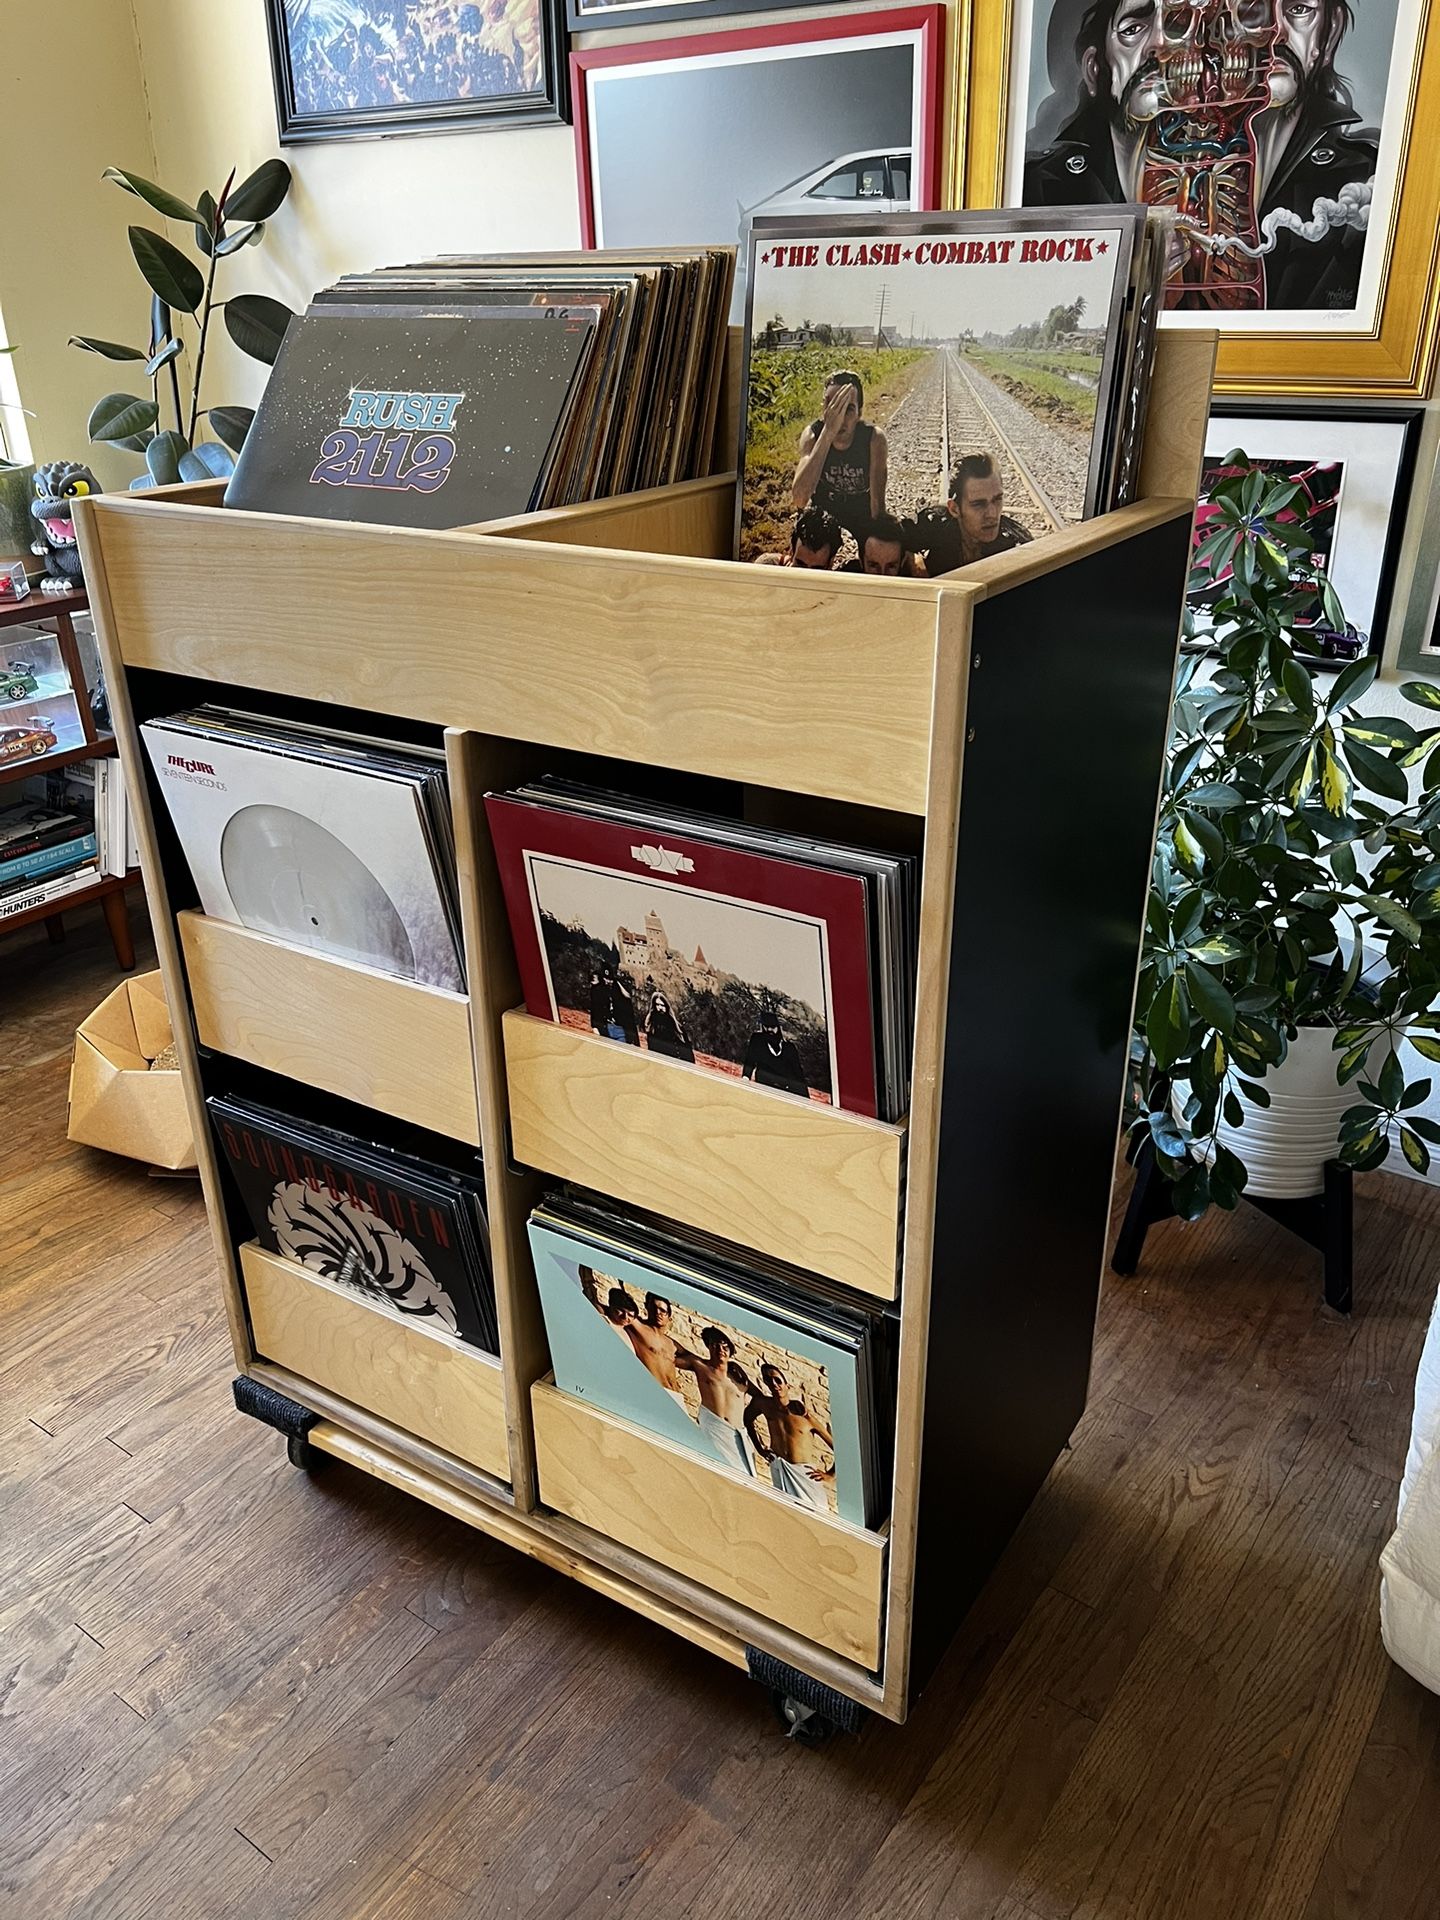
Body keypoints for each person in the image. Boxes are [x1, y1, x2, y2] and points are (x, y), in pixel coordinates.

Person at [1021, 0, 1377, 311]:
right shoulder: (1041, 187)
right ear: (1096, 69)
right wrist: (1122, 288)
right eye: (1133, 28)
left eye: (1179, 24)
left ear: (1329, 36)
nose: (1163, 46)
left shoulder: (1369, 181)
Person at [791, 372, 888, 540]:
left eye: (848, 409)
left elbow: (877, 506)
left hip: (860, 515)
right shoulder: (812, 436)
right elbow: (800, 499)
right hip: (823, 515)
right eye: (833, 407)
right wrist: (827, 434)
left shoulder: (874, 439)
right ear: (824, 410)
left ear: (859, 413)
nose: (839, 418)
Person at [922, 454, 1034, 576]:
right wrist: (912, 557)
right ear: (954, 509)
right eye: (978, 504)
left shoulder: (1016, 547)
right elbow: (900, 532)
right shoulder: (936, 525)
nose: (992, 514)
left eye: (997, 499)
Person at [745, 1362, 835, 1511]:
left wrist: (830, 1475)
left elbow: (838, 1449)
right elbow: (747, 1419)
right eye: (768, 1380)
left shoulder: (806, 1417)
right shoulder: (763, 1404)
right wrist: (759, 1448)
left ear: (787, 1385)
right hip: (780, 1468)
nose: (774, 1384)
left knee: (816, 1515)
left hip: (805, 1475)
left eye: (777, 1380)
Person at [675, 1327, 758, 1475]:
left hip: (737, 1438)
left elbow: (764, 1401)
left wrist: (750, 1424)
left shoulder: (741, 1380)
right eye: (715, 1345)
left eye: (725, 1346)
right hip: (715, 1431)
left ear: (730, 1350)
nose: (721, 1349)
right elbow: (667, 1351)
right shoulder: (701, 1366)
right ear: (708, 1347)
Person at [624, 1293, 690, 1410]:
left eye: (662, 1310)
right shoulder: (639, 1327)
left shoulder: (672, 1344)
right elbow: (607, 1309)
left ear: (669, 1317)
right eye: (654, 1308)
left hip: (677, 1397)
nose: (658, 1312)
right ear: (647, 1308)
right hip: (656, 1394)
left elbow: (697, 1362)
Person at [741, 1008, 810, 1099]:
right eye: (766, 1026)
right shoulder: (757, 1040)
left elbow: (798, 1073)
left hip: (786, 1092)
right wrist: (745, 1078)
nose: (769, 1029)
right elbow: (750, 1060)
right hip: (764, 1087)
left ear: (778, 1028)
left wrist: (805, 1098)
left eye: (773, 1027)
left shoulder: (789, 1048)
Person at [754, 505, 843, 570]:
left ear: (830, 563)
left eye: (816, 569)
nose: (806, 575)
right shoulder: (766, 568)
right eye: (800, 564)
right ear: (791, 552)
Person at [842, 512, 919, 577]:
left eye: (891, 567)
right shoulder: (846, 578)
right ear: (861, 561)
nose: (882, 575)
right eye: (873, 566)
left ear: (902, 562)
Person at [644, 990, 695, 1062]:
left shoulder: (676, 1026)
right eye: (657, 1005)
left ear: (666, 1006)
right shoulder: (651, 1025)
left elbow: (687, 1049)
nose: (660, 1008)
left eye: (662, 1005)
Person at [610, 969, 638, 1045]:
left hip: (626, 1015)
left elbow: (628, 995)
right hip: (621, 1016)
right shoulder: (616, 986)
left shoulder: (620, 985)